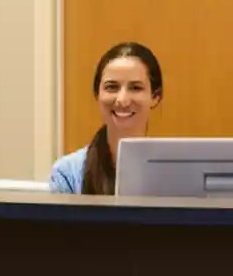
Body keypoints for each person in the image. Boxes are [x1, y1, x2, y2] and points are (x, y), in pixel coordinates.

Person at [48, 41, 163, 195]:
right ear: (97, 94)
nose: (122, 100)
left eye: (135, 88)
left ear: (155, 96)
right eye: (111, 87)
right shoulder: (67, 174)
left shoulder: (174, 173)